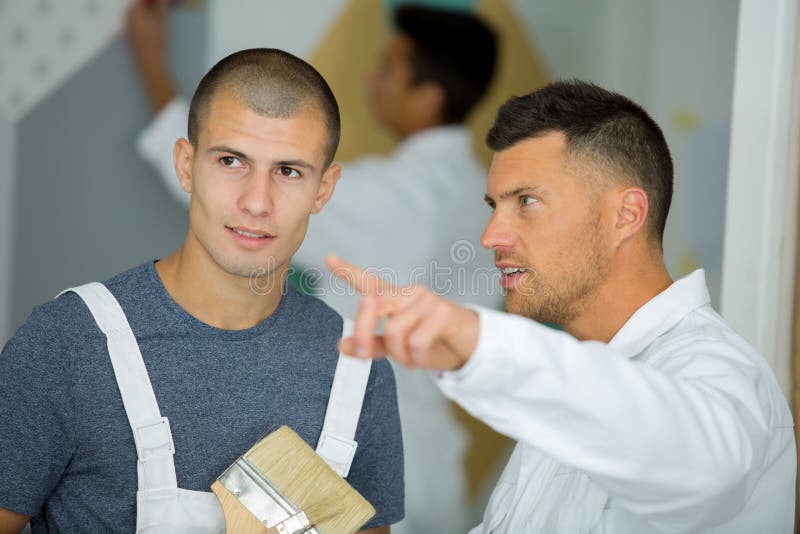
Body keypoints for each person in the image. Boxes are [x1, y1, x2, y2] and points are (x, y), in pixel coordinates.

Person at [325, 80, 796, 533]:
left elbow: (705, 468)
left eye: (526, 201)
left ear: (625, 215)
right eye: (494, 206)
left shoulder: (721, 372)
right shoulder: (574, 389)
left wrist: (482, 344)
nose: (491, 237)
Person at [127, 3, 499, 531]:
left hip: (373, 456)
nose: (373, 78)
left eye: (390, 67)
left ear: (428, 96)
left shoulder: (390, 200)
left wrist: (149, 58)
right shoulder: (481, 198)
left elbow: (225, 186)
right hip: (440, 458)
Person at [0, 49, 403, 534]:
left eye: (289, 171)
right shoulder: (66, 345)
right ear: (186, 165)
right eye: (232, 161)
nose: (257, 202)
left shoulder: (356, 366)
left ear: (324, 189)